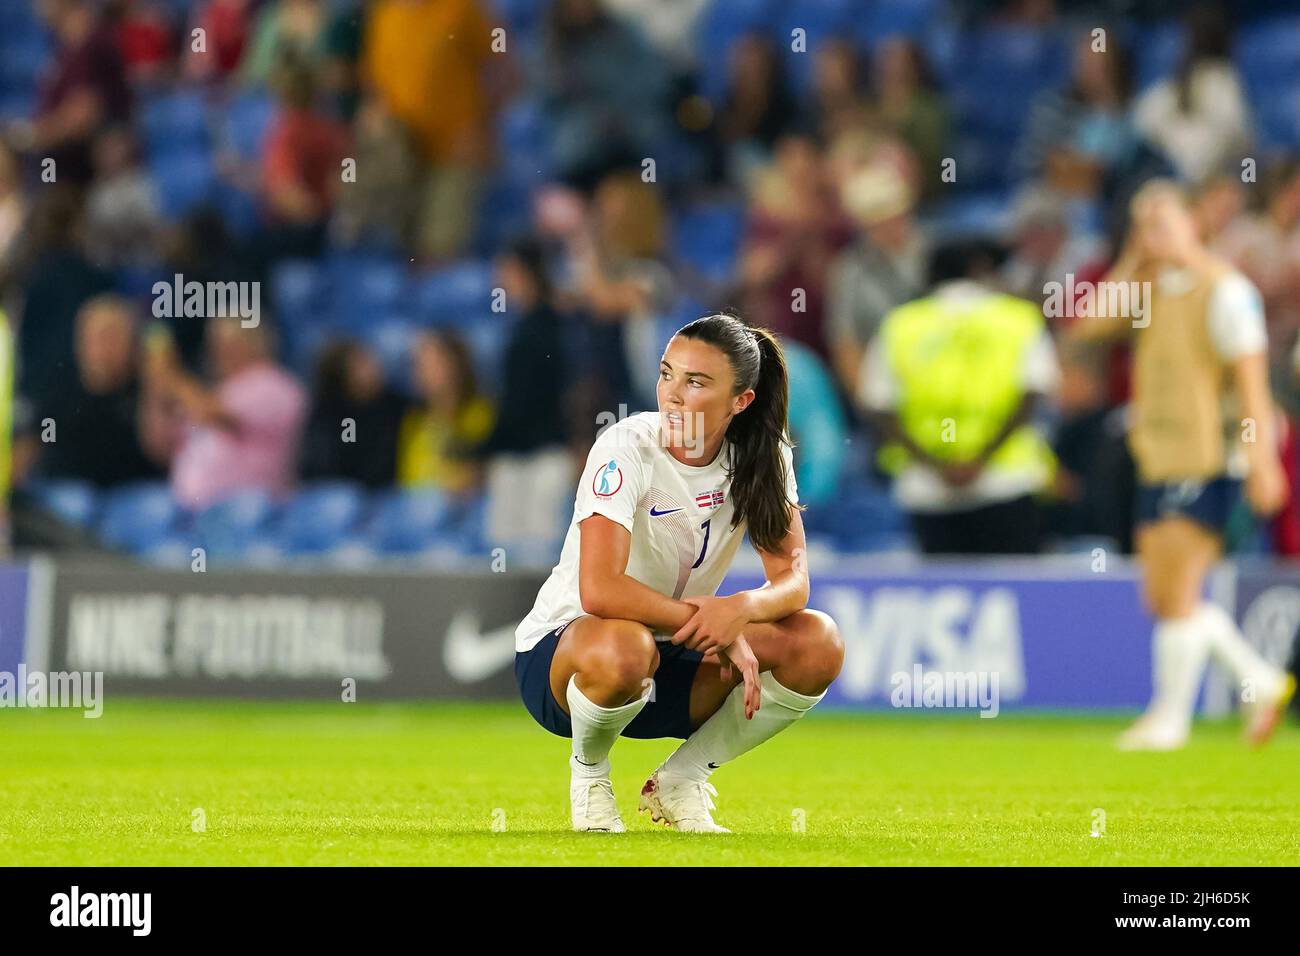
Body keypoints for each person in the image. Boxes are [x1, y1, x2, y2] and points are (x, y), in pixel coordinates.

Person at [513, 313, 844, 833]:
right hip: (569, 658)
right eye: (667, 374)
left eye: (695, 382)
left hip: (671, 657)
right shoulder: (626, 447)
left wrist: (740, 611)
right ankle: (589, 776)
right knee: (627, 647)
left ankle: (681, 779)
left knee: (817, 641)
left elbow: (793, 581)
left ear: (742, 401)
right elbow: (599, 590)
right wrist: (709, 621)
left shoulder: (765, 454)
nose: (672, 394)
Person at [1067, 180, 1295, 750]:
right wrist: (1128, 263)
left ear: (1196, 223)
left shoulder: (1225, 290)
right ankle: (1259, 681)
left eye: (1165, 222)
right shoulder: (1149, 288)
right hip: (1157, 456)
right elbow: (1084, 330)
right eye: (1144, 225)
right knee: (1164, 598)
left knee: (1179, 593)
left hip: (1208, 455)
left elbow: (1251, 383)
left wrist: (1264, 460)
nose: (1155, 235)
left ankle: (1169, 719)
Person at [859, 239, 1058, 555]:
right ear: (981, 269)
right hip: (1006, 482)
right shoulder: (1019, 319)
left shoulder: (900, 325)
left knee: (945, 591)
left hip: (928, 489)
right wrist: (980, 459)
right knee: (1016, 592)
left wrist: (937, 464)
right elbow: (1032, 396)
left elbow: (880, 406)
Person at [141, 318, 307, 509]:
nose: (219, 351)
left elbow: (215, 416)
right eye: (215, 344)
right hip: (190, 514)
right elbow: (159, 445)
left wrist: (170, 375)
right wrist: (154, 390)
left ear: (254, 343)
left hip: (250, 513)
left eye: (229, 343)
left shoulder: (274, 384)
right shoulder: (218, 391)